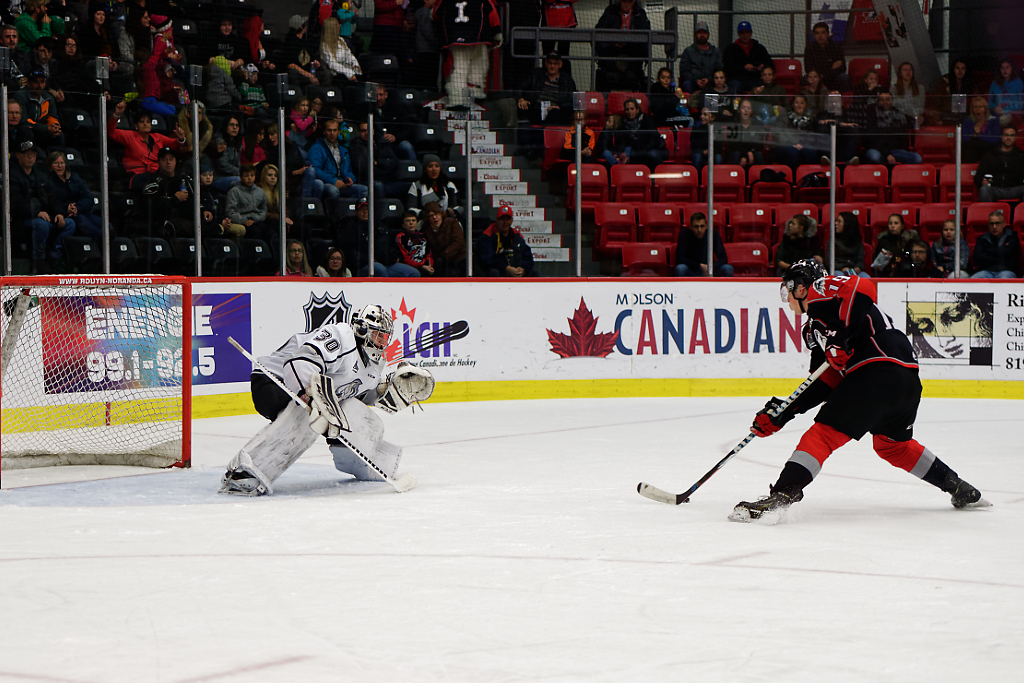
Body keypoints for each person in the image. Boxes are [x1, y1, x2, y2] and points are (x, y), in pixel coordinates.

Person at [731, 259, 987, 522]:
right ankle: (957, 486)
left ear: (800, 287)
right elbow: (825, 380)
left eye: (787, 289)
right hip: (904, 380)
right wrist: (785, 412)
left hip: (876, 370)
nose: (786, 298)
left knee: (823, 435)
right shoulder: (814, 328)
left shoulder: (820, 291)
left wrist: (841, 338)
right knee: (893, 447)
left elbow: (864, 287)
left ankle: (782, 495)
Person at [219, 304, 434, 496]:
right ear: (362, 329)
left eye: (384, 338)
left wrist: (386, 391)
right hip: (274, 380)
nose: (381, 343)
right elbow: (298, 364)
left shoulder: (375, 364)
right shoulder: (341, 336)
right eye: (378, 335)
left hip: (314, 392)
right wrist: (313, 398)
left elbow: (357, 395)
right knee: (307, 413)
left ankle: (366, 464)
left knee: (348, 410)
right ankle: (246, 472)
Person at [10, 137, 74, 273]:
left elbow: (52, 198)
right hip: (21, 220)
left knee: (69, 224)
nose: (30, 157)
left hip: (43, 216)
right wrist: (37, 212)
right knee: (41, 224)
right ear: (18, 155)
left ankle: (53, 257)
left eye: (32, 154)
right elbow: (15, 203)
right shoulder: (13, 174)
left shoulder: (40, 174)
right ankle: (38, 261)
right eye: (26, 154)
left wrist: (59, 213)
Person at [432, 0, 502, 108]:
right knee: (479, 65)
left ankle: (457, 97)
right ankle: (475, 91)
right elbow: (492, 14)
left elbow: (435, 14)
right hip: (478, 36)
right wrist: (497, 32)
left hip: (455, 37)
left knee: (460, 68)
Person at [107, 99, 186, 192]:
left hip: (157, 174)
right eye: (142, 122)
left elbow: (175, 145)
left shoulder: (157, 137)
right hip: (137, 175)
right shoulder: (129, 136)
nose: (145, 124)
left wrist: (181, 139)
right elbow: (111, 132)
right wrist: (116, 115)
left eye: (148, 122)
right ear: (136, 125)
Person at [337, 198, 419, 277]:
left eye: (368, 209)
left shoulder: (380, 226)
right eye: (362, 209)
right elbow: (349, 252)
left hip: (386, 263)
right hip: (365, 266)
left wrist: (394, 257)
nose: (365, 211)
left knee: (413, 273)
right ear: (356, 211)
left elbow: (392, 245)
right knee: (380, 270)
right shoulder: (350, 228)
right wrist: (370, 259)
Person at [594, 0, 652, 93]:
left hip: (631, 47)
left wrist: (629, 39)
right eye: (624, 1)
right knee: (603, 46)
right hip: (612, 46)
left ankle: (632, 73)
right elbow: (599, 29)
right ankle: (612, 72)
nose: (626, 4)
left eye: (629, 1)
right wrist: (614, 39)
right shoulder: (610, 11)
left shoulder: (640, 13)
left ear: (634, 2)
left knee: (639, 48)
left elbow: (645, 32)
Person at [308, 118, 367, 207]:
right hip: (326, 182)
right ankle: (334, 214)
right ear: (324, 132)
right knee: (333, 191)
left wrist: (349, 178)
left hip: (342, 182)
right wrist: (333, 180)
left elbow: (349, 169)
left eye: (334, 130)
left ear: (339, 132)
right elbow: (315, 169)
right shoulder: (316, 148)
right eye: (329, 130)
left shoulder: (343, 150)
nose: (332, 133)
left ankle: (348, 210)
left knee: (364, 190)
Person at [144, 146, 195, 240]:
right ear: (158, 162)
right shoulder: (154, 182)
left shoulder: (183, 180)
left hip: (185, 221)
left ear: (175, 161)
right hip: (164, 224)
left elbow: (194, 201)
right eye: (164, 160)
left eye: (171, 159)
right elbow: (151, 206)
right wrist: (175, 199)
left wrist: (204, 211)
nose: (168, 162)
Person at [517, 52, 577, 126]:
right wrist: (521, 99)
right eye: (550, 63)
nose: (552, 66)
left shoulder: (567, 81)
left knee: (555, 114)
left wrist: (559, 107)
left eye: (555, 64)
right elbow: (520, 87)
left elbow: (572, 102)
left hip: (555, 113)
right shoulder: (536, 75)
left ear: (560, 64)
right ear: (545, 63)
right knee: (523, 110)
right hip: (536, 110)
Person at [863, 90, 921, 166]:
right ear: (878, 102)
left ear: (892, 101)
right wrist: (887, 154)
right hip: (877, 149)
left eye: (888, 99)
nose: (885, 102)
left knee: (916, 158)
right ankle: (882, 172)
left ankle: (898, 172)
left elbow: (901, 135)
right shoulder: (873, 114)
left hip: (894, 150)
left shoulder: (899, 114)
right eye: (882, 100)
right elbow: (874, 138)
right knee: (875, 157)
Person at [477, 205, 535, 277]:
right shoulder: (488, 236)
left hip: (515, 270)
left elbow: (528, 257)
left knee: (534, 273)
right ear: (497, 220)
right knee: (494, 272)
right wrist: (507, 268)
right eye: (502, 219)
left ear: (512, 220)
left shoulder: (516, 235)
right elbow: (487, 259)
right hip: (499, 271)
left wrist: (523, 269)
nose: (505, 222)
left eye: (508, 219)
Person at [673, 211, 732, 277]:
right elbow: (679, 258)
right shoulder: (684, 235)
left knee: (728, 268)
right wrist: (699, 266)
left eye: (702, 226)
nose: (699, 230)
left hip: (711, 269)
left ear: (706, 226)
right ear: (691, 227)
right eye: (696, 227)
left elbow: (723, 258)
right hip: (692, 269)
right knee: (680, 268)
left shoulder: (713, 234)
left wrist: (711, 267)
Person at [722, 20, 774, 94]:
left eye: (747, 32)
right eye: (742, 33)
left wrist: (763, 66)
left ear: (751, 33)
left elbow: (770, 63)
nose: (745, 35)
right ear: (738, 34)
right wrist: (743, 68)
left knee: (761, 87)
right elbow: (727, 67)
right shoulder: (730, 49)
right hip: (737, 79)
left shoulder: (759, 48)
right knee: (734, 86)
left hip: (754, 79)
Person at [975, 126, 1024, 202]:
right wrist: (982, 181)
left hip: (1014, 189)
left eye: (1011, 135)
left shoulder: (1021, 156)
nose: (1008, 138)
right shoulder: (990, 155)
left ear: (1015, 138)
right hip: (995, 189)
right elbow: (978, 176)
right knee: (984, 190)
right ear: (1001, 137)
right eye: (1006, 135)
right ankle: (986, 210)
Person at [15, 69, 63, 148]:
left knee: (59, 136)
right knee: (26, 132)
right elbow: (23, 120)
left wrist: (55, 127)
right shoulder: (20, 96)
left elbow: (53, 117)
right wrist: (46, 128)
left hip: (43, 130)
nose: (39, 85)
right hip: (29, 130)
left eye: (42, 82)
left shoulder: (48, 98)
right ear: (28, 83)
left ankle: (56, 155)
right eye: (35, 82)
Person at [619, 97, 667, 170]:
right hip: (636, 150)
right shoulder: (623, 124)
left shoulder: (646, 120)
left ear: (637, 110)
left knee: (652, 154)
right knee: (631, 155)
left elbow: (655, 138)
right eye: (627, 109)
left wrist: (644, 150)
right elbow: (622, 141)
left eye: (632, 109)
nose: (629, 112)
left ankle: (661, 173)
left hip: (654, 148)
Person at [420, 201, 466, 276]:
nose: (434, 217)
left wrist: (444, 255)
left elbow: (458, 242)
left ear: (441, 214)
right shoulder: (425, 230)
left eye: (436, 214)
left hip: (459, 257)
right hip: (440, 261)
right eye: (431, 215)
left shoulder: (452, 223)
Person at [970, 211, 1020, 278]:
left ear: (1004, 224)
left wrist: (987, 252)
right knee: (974, 279)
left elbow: (1009, 252)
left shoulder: (1012, 237)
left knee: (1004, 278)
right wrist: (1001, 257)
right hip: (986, 271)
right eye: (991, 224)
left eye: (997, 223)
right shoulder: (982, 238)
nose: (994, 227)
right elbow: (977, 257)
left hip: (1006, 270)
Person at [224, 163, 267, 240]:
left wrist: (255, 219)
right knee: (255, 232)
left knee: (269, 232)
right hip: (242, 221)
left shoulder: (260, 191)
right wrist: (244, 220)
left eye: (252, 175)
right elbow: (231, 212)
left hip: (256, 220)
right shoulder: (234, 191)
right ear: (241, 177)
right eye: (246, 176)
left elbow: (263, 209)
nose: (249, 178)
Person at [678, 20, 722, 94]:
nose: (702, 35)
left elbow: (719, 69)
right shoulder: (688, 51)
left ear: (708, 34)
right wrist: (695, 80)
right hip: (693, 83)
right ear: (695, 34)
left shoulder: (715, 51)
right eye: (699, 32)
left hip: (712, 83)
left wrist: (709, 79)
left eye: (704, 32)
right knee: (686, 84)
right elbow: (684, 71)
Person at [803, 21, 848, 92]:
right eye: (817, 33)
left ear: (828, 34)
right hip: (817, 78)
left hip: (833, 79)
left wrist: (824, 74)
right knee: (805, 79)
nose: (820, 36)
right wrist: (832, 68)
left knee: (844, 77)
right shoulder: (809, 49)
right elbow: (808, 69)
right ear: (814, 35)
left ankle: (842, 98)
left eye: (823, 33)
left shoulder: (836, 47)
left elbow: (842, 68)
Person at [722, 98, 766, 167]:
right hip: (736, 151)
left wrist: (750, 152)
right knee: (736, 154)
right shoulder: (733, 124)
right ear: (739, 110)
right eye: (743, 108)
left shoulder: (758, 124)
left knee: (758, 155)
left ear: (751, 111)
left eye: (749, 108)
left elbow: (759, 144)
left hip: (752, 151)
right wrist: (745, 153)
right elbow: (732, 144)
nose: (746, 110)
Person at [873, 213, 919, 277]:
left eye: (896, 223)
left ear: (902, 226)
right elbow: (879, 261)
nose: (892, 226)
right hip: (887, 271)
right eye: (890, 223)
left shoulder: (910, 239)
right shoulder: (883, 240)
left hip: (906, 270)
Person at [960, 97, 1001, 164]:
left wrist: (980, 135)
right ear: (972, 109)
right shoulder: (967, 121)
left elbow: (996, 139)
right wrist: (974, 134)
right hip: (973, 151)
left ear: (985, 109)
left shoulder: (993, 121)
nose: (977, 109)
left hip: (988, 150)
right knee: (968, 147)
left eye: (980, 107)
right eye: (975, 107)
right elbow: (963, 139)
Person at [319, 16, 361, 82]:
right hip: (335, 77)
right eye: (338, 26)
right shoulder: (325, 45)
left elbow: (349, 55)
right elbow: (333, 64)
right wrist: (349, 73)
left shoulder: (341, 40)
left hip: (348, 72)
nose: (339, 27)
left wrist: (355, 65)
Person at [395, 210, 435, 276]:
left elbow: (429, 254)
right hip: (410, 267)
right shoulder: (400, 237)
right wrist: (421, 266)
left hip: (425, 266)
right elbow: (404, 258)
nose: (411, 223)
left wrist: (430, 266)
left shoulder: (423, 237)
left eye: (413, 220)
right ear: (403, 225)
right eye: (408, 221)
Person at [209, 115, 243, 192]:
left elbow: (237, 163)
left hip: (232, 175)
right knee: (240, 180)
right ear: (225, 126)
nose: (234, 127)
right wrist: (241, 172)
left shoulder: (236, 142)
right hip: (217, 177)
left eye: (237, 125)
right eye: (231, 125)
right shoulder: (220, 141)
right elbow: (223, 165)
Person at [258, 164, 292, 233]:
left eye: (275, 176)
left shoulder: (280, 193)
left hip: (280, 220)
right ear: (264, 176)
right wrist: (281, 218)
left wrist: (286, 218)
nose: (273, 178)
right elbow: (262, 212)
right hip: (267, 222)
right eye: (270, 175)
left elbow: (285, 210)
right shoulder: (258, 192)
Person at [832, 211, 867, 277]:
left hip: (853, 270)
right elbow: (828, 261)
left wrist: (858, 267)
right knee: (839, 276)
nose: (835, 223)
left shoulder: (857, 241)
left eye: (839, 221)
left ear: (847, 224)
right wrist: (842, 268)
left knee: (866, 277)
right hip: (839, 270)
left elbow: (860, 259)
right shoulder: (832, 240)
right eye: (836, 221)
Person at [893, 61, 925, 129]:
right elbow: (894, 104)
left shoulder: (920, 88)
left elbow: (920, 105)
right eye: (905, 70)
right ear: (900, 73)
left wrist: (914, 114)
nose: (908, 72)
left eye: (910, 70)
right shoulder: (894, 88)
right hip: (900, 117)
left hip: (915, 117)